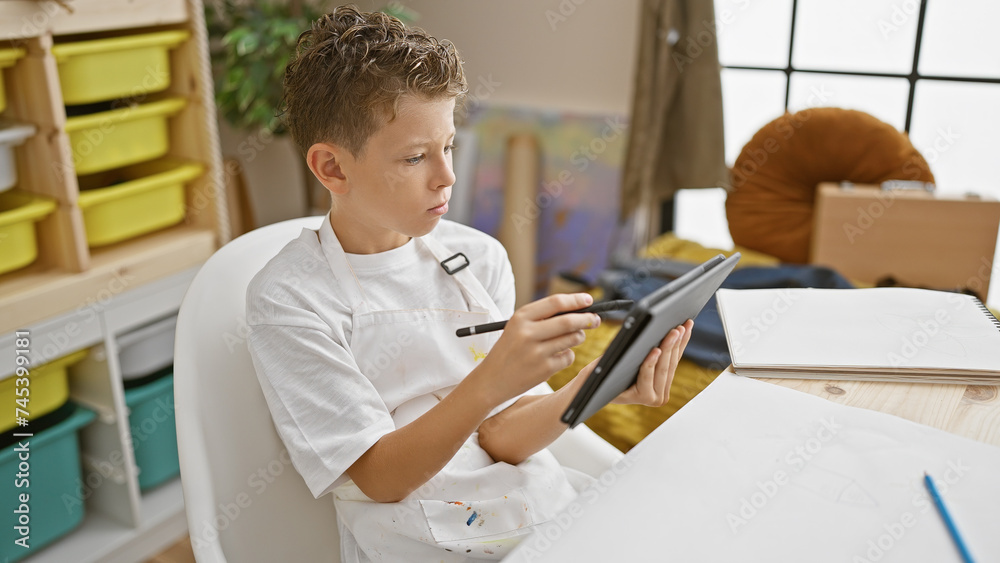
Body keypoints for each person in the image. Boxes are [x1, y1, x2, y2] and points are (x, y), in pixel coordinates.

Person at [246, 5, 693, 562]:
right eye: (415, 157)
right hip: (415, 543)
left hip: (534, 516)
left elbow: (501, 437)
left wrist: (598, 385)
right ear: (332, 168)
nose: (447, 176)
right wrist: (489, 380)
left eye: (449, 145)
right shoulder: (290, 300)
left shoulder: (477, 258)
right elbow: (381, 478)